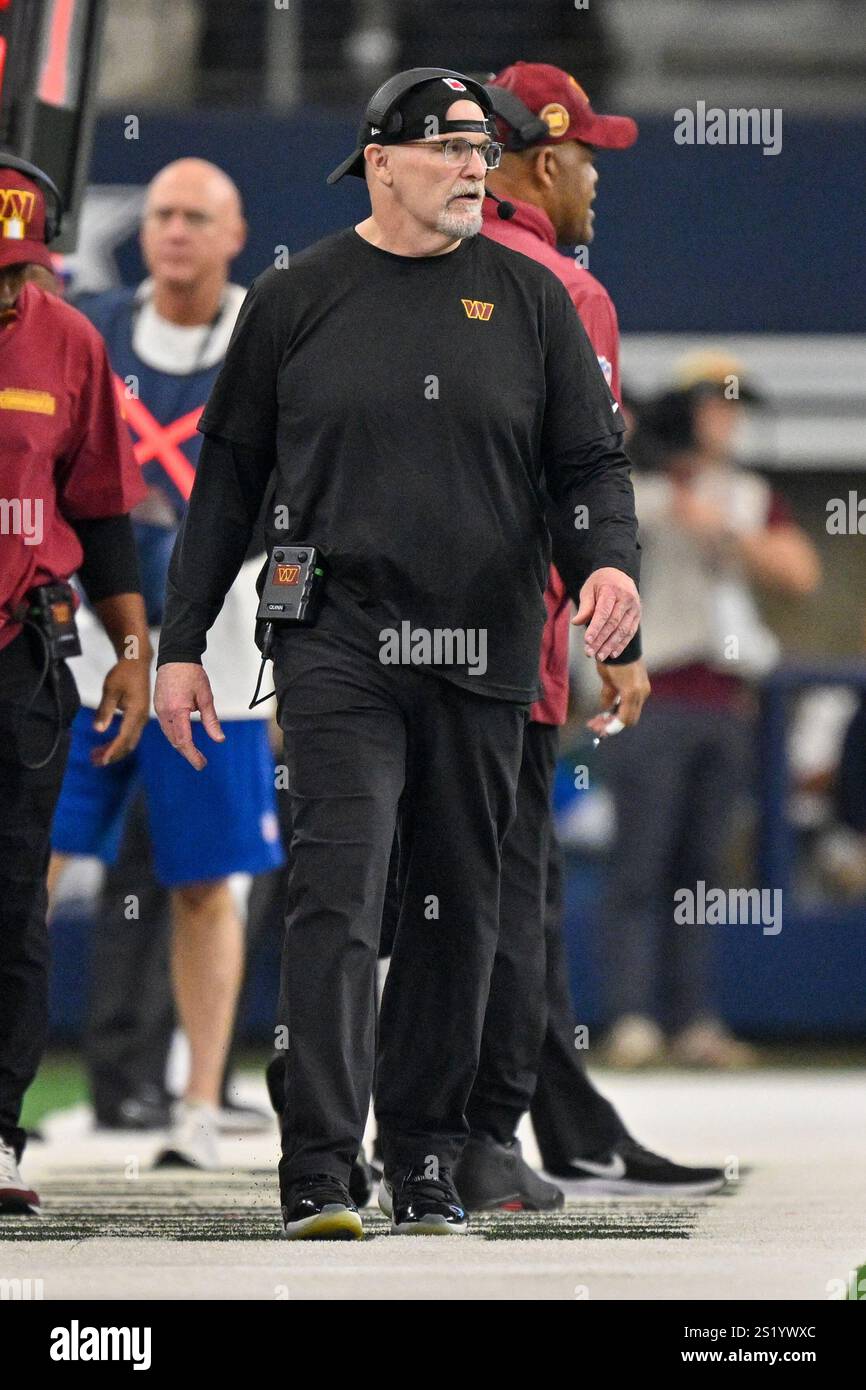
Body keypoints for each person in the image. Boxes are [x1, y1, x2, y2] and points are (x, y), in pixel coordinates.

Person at [154, 67, 641, 1240]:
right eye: (449, 146)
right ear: (381, 160)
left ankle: (420, 1155)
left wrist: (609, 568)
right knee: (339, 886)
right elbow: (225, 483)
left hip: (481, 644)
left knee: (456, 907)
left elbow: (587, 467)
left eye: (484, 147)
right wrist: (177, 646)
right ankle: (319, 1164)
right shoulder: (296, 298)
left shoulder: (527, 301)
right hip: (337, 641)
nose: (477, 164)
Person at [438, 61, 723, 1203]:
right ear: (544, 158)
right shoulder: (565, 288)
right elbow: (583, 484)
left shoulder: (397, 264)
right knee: (513, 903)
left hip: (375, 649)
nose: (599, 181)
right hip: (509, 656)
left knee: (404, 898)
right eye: (589, 157)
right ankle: (490, 1136)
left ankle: (487, 1125)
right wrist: (613, 625)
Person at [48, 159, 283, 1166]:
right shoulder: (93, 328)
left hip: (220, 653)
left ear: (234, 234)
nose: (173, 231)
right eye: (160, 215)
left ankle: (195, 1100)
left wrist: (280, 633)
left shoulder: (271, 329)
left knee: (203, 880)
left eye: (196, 217)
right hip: (95, 643)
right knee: (35, 860)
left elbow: (306, 484)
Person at [0, 154, 149, 1213]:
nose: (11, 289)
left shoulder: (68, 340)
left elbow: (100, 513)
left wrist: (133, 653)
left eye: (24, 268)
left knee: (13, 902)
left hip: (23, 653)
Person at [600, 352, 821, 1066]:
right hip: (655, 693)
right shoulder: (636, 487)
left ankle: (695, 1018)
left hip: (727, 698)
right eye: (715, 407)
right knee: (640, 860)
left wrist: (724, 527)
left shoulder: (748, 495)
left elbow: (800, 574)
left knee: (702, 871)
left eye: (734, 410)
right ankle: (632, 1016)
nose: (727, 421)